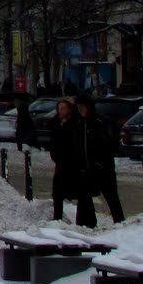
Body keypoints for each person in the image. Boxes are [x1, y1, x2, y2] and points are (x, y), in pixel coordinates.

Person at [77, 94, 123, 225]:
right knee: (84, 198)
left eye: (83, 107)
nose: (81, 110)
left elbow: (108, 145)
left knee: (112, 197)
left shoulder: (99, 123)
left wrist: (100, 163)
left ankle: (120, 222)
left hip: (103, 168)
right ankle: (86, 224)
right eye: (78, 107)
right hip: (87, 168)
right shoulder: (81, 124)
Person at [48, 97, 92, 226]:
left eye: (63, 108)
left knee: (80, 194)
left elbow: (77, 143)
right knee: (57, 193)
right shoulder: (56, 123)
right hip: (61, 164)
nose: (61, 111)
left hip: (73, 164)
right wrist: (55, 155)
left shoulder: (76, 124)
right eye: (59, 108)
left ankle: (82, 222)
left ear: (69, 109)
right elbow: (53, 142)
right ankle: (57, 219)